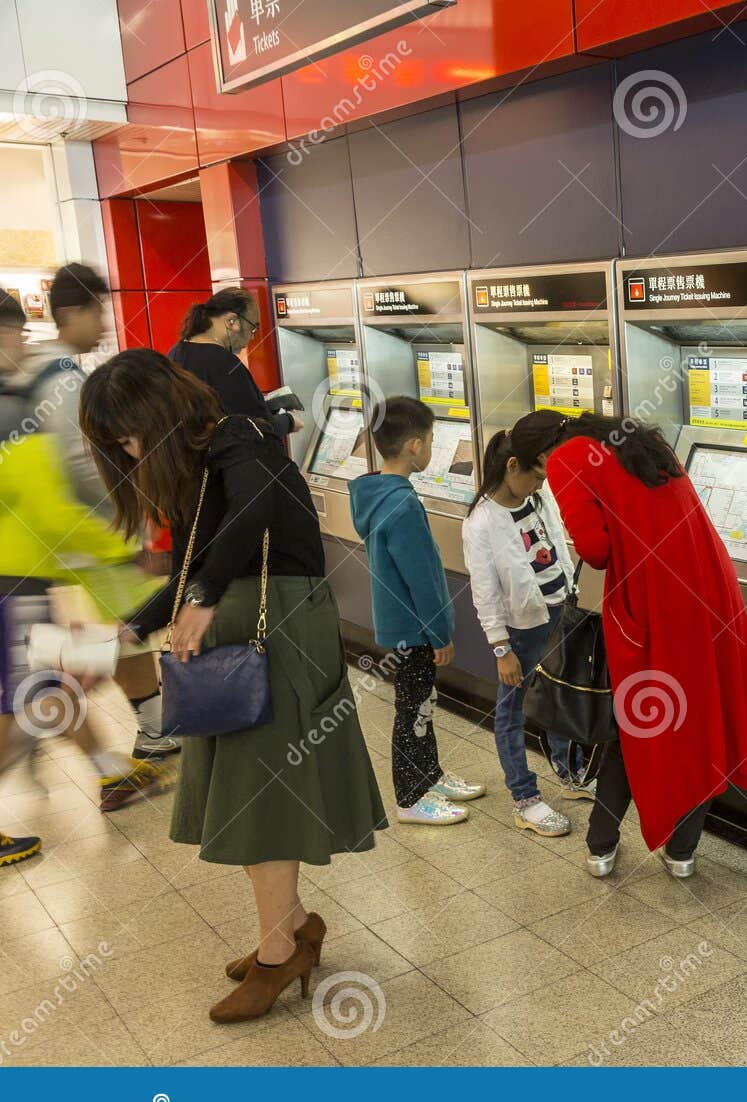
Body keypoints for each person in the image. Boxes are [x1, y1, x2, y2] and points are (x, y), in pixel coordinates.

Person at [80, 348, 388, 1023]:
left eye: (128, 433)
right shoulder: (202, 465)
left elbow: (249, 515)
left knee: (262, 800)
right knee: (254, 796)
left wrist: (204, 597)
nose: (128, 450)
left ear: (155, 411)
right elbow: (190, 570)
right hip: (248, 640)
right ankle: (296, 927)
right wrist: (127, 631)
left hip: (277, 632)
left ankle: (280, 954)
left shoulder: (239, 435)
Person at [503, 411, 747, 878]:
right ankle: (682, 851)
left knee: (638, 723)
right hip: (711, 591)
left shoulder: (567, 460)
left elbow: (596, 551)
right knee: (702, 719)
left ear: (544, 455)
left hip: (657, 605)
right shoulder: (635, 440)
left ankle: (601, 845)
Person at [19, 264, 181, 798]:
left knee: (120, 636)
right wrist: (128, 533)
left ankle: (121, 742)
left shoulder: (41, 373)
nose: (105, 321)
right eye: (98, 309)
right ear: (72, 313)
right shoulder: (63, 379)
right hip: (94, 535)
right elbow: (82, 462)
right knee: (128, 635)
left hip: (68, 542)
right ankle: (151, 736)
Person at [348, 397, 485, 826]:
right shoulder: (404, 505)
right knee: (413, 708)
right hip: (415, 628)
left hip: (400, 623)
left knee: (422, 700)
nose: (431, 448)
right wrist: (440, 632)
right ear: (412, 446)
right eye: (429, 440)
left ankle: (429, 774)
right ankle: (410, 796)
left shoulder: (376, 493)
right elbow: (423, 578)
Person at [463, 428, 589, 836]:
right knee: (512, 710)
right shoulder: (481, 522)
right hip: (522, 630)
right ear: (511, 466)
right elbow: (484, 591)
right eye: (536, 475)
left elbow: (556, 545)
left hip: (560, 612)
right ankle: (524, 798)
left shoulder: (537, 496)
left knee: (559, 696)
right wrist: (501, 649)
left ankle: (570, 771)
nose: (541, 484)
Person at [168, 287, 297, 437]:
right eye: (253, 328)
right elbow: (257, 428)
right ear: (231, 321)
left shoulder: (177, 351)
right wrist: (290, 421)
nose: (252, 338)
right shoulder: (223, 362)